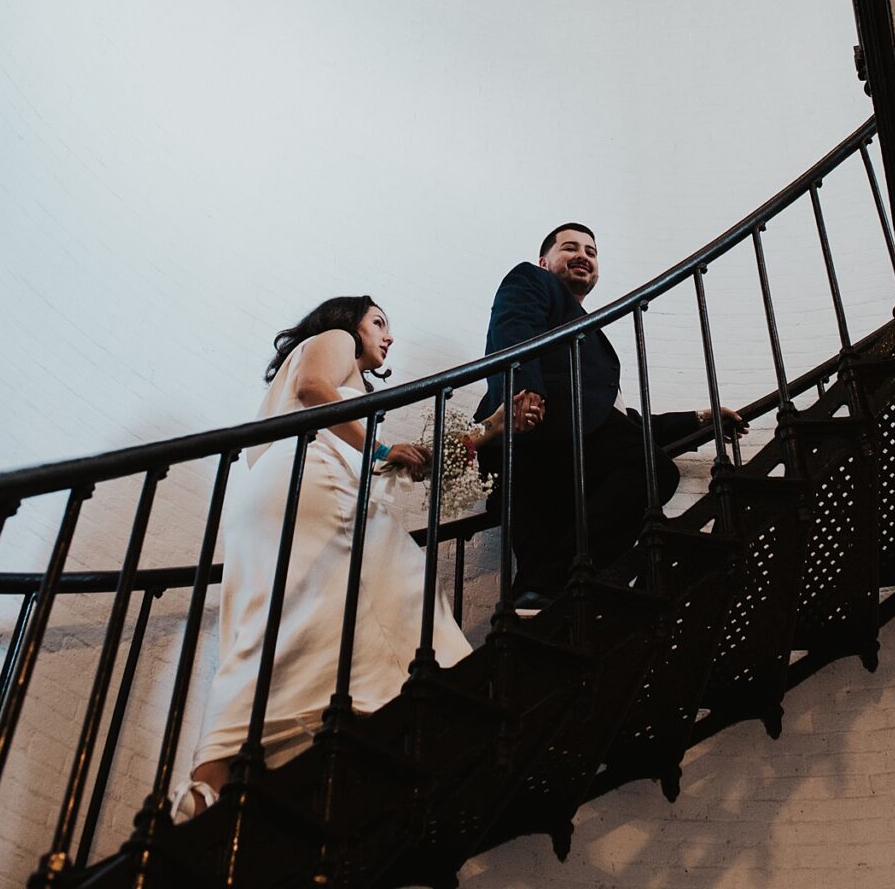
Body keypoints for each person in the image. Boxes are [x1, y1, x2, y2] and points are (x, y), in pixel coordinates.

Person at [173, 295, 521, 819]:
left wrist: (490, 430)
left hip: (275, 495)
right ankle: (455, 710)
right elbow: (314, 390)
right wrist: (381, 450)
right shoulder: (332, 343)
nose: (388, 335)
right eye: (378, 322)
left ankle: (207, 785)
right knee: (407, 589)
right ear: (347, 323)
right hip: (312, 483)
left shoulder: (346, 411)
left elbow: (403, 464)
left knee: (272, 631)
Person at [476, 225, 746, 609]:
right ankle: (550, 583)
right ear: (544, 261)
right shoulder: (531, 280)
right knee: (652, 469)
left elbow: (624, 420)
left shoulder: (588, 342)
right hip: (539, 426)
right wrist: (522, 392)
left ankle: (536, 597)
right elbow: (514, 326)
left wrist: (703, 418)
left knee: (540, 570)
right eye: (570, 247)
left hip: (567, 451)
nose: (583, 255)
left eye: (592, 250)